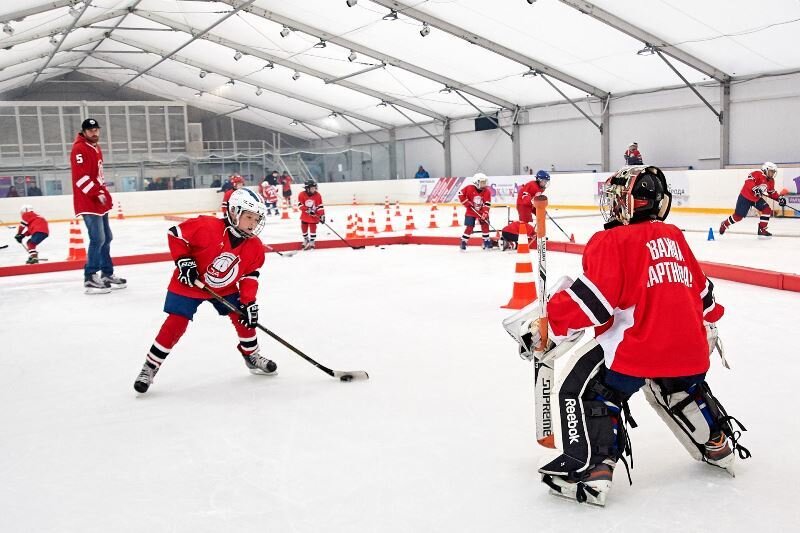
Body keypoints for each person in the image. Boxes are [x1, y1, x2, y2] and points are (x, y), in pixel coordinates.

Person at [502, 165, 750, 506]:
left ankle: (592, 470)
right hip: (690, 345)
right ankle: (717, 442)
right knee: (683, 387)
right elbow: (703, 292)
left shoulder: (611, 240)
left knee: (591, 392)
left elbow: (594, 302)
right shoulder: (674, 236)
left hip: (638, 348)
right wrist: (709, 320)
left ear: (625, 204)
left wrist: (547, 326)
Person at [133, 188, 275, 393]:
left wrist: (249, 302)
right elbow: (175, 234)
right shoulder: (207, 226)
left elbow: (249, 276)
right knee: (176, 323)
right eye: (249, 217)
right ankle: (150, 367)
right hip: (190, 283)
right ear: (234, 212)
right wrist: (183, 261)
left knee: (243, 316)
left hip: (224, 286)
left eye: (257, 218)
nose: (253, 223)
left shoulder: (254, 245)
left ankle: (251, 355)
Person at [70, 117, 126, 294]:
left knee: (106, 238)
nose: (94, 133)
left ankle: (106, 274)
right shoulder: (79, 149)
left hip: (99, 202)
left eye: (96, 130)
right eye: (90, 130)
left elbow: (97, 176)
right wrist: (97, 193)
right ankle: (90, 276)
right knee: (98, 239)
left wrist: (104, 195)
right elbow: (81, 177)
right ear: (84, 132)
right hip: (88, 202)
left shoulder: (95, 148)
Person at [719, 162, 786, 238]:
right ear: (765, 169)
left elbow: (771, 192)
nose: (772, 173)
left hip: (756, 199)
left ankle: (762, 229)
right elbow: (748, 182)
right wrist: (755, 188)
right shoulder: (757, 173)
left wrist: (779, 199)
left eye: (773, 172)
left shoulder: (771, 181)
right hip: (745, 197)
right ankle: (725, 224)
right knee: (738, 217)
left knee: (767, 209)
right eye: (771, 171)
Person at [457, 173, 492, 251]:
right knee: (470, 227)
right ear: (476, 182)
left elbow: (487, 203)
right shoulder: (469, 188)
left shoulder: (487, 191)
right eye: (482, 182)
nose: (484, 184)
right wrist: (466, 202)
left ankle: (486, 240)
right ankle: (463, 241)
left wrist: (485, 212)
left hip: (481, 212)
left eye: (485, 182)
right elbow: (460, 194)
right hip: (470, 211)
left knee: (485, 225)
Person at [298, 179, 325, 250]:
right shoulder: (301, 194)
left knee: (313, 227)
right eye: (312, 188)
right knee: (304, 227)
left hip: (314, 216)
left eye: (315, 188)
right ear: (307, 188)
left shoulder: (318, 195)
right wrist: (307, 209)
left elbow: (320, 206)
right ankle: (306, 239)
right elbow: (300, 205)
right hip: (305, 215)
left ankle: (312, 241)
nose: (314, 189)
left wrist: (322, 215)